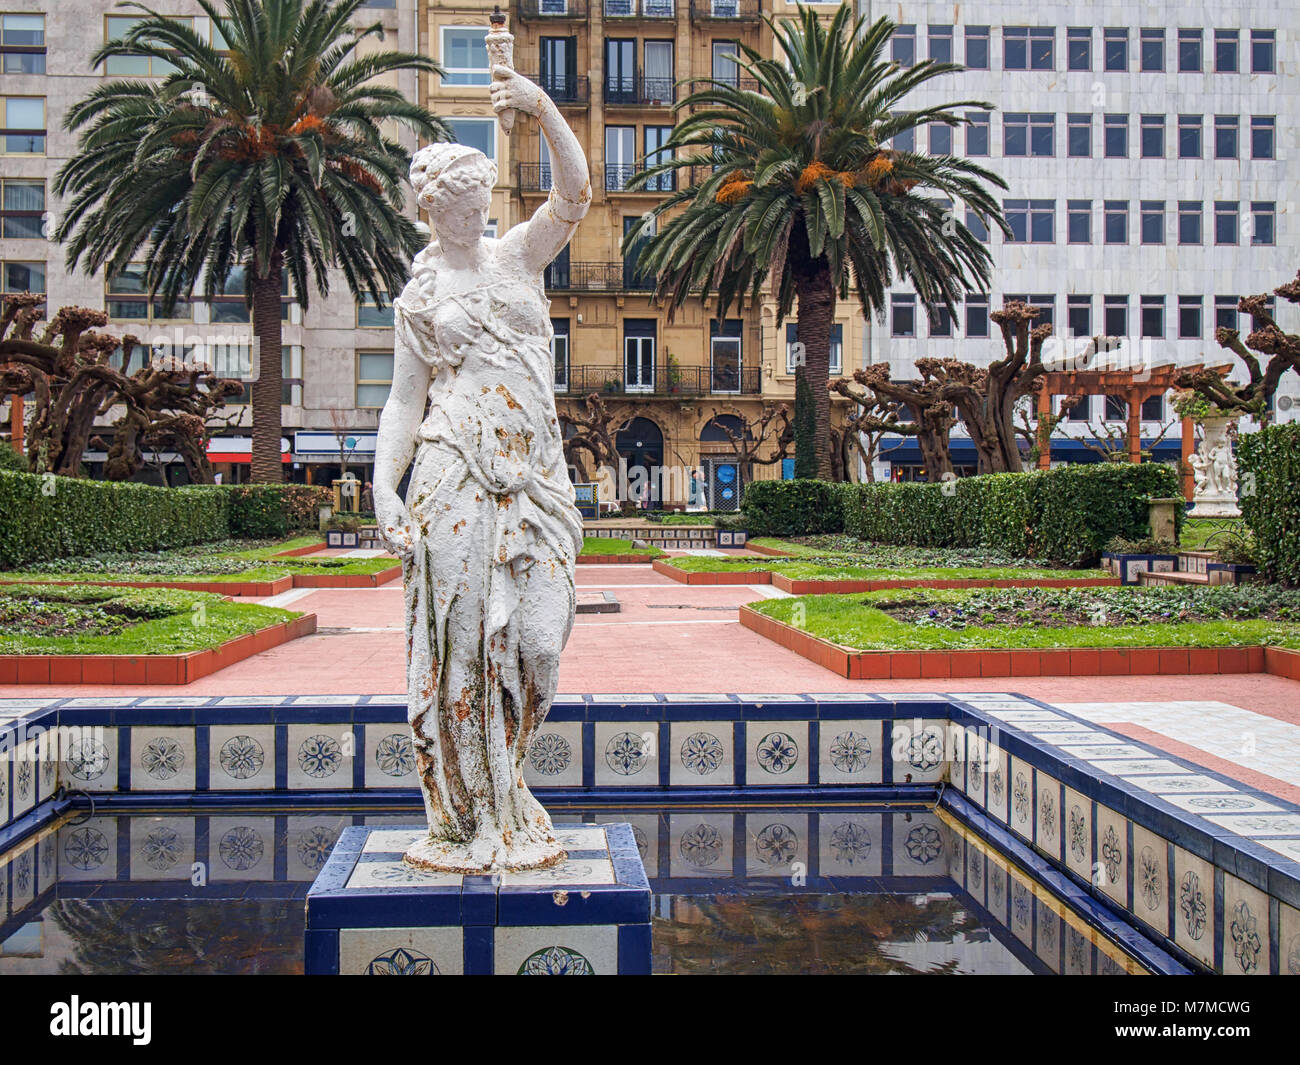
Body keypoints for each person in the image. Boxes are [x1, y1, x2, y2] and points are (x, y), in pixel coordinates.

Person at [370, 62, 591, 872]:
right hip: (451, 474)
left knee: (537, 641)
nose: (477, 217)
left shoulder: (517, 259)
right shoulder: (420, 298)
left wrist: (541, 106)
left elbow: (576, 196)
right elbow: (403, 401)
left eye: (482, 204)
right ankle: (474, 813)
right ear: (432, 210)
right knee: (460, 652)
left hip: (535, 480)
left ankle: (511, 775)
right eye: (461, 209)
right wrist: (381, 487)